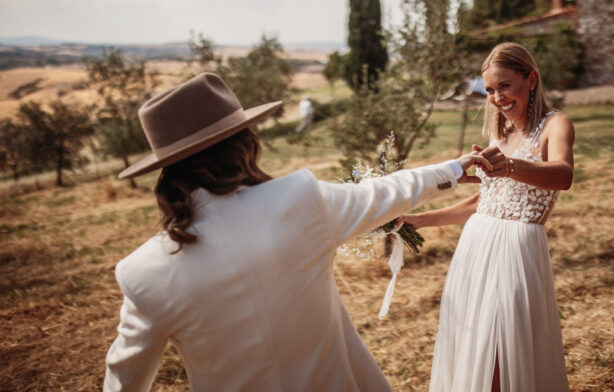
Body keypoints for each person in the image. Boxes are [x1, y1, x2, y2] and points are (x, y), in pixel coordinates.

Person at [102, 72, 490, 391]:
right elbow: (384, 194)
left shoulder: (142, 273)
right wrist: (454, 169)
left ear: (166, 167)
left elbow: (124, 381)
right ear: (245, 145)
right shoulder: (299, 200)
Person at [399, 42, 575, 391]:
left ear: (531, 79)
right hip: (476, 248)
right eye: (490, 90)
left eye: (505, 86)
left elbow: (563, 175)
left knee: (503, 350)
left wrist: (509, 166)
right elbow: (483, 203)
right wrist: (418, 220)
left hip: (516, 251)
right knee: (474, 346)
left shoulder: (556, 124)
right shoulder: (499, 133)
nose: (497, 98)